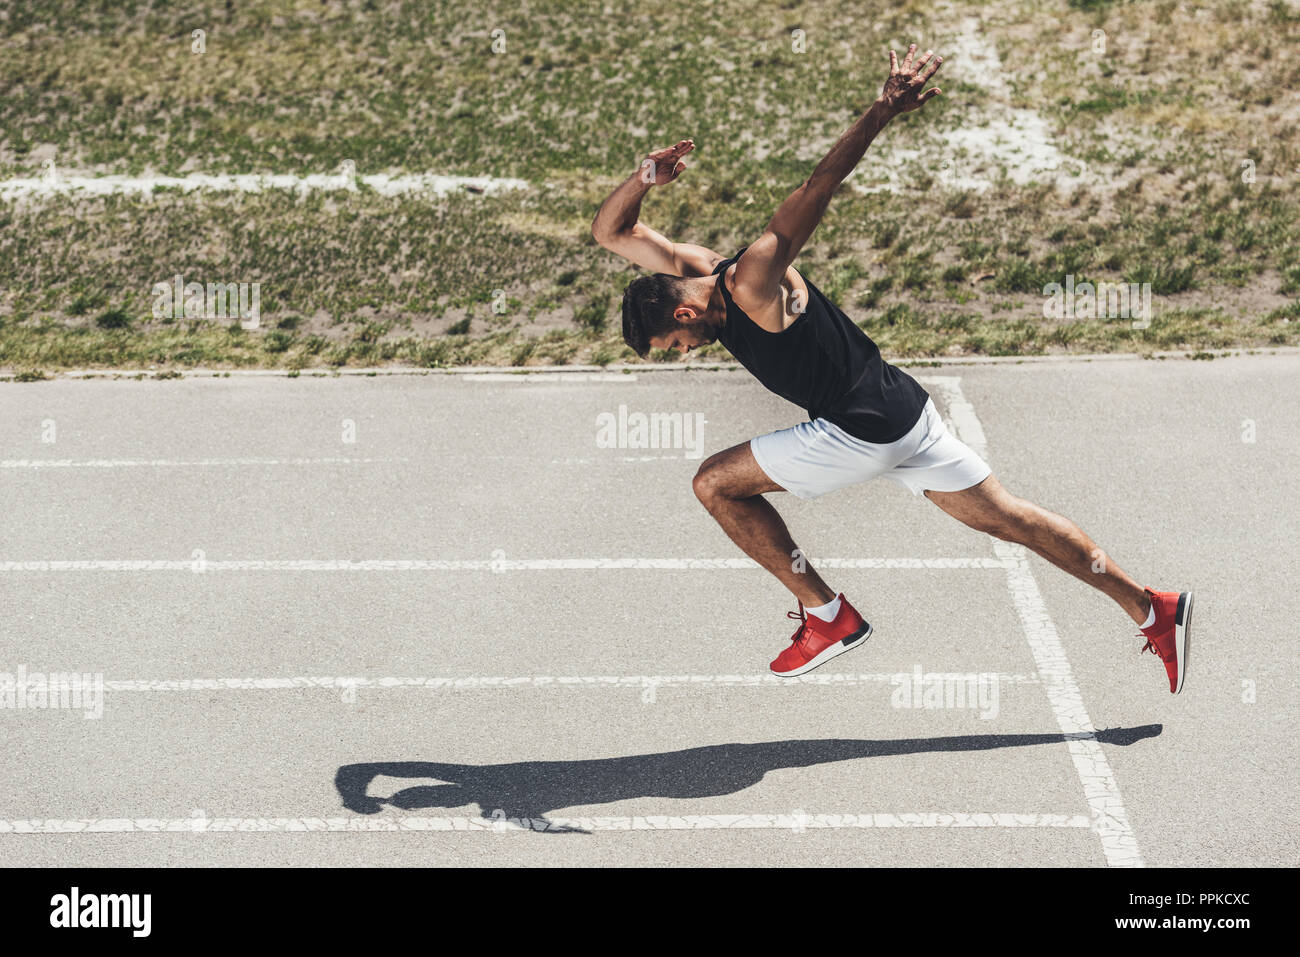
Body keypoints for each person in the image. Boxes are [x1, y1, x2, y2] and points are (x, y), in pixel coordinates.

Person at [591, 45, 1190, 692]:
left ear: (681, 319)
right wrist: (643, 180)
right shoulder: (693, 274)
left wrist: (882, 109)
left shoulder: (749, 281)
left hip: (859, 427)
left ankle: (829, 615)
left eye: (673, 348)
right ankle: (1152, 607)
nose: (683, 357)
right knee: (1009, 516)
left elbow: (816, 189)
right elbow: (610, 231)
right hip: (901, 407)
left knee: (714, 484)